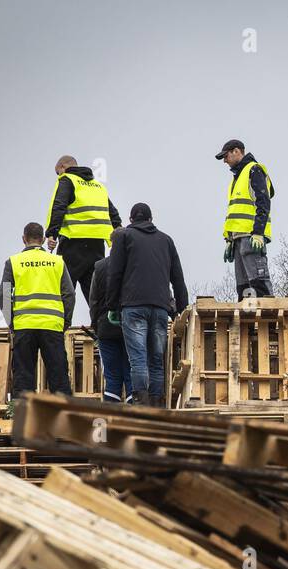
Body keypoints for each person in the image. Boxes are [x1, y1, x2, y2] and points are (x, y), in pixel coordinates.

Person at [103, 203, 188, 407]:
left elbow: (114, 273)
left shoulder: (123, 237)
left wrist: (112, 305)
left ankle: (141, 407)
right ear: (151, 219)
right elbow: (177, 278)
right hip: (160, 307)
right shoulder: (166, 240)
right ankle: (156, 406)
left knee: (138, 359)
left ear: (131, 220)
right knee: (156, 361)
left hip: (133, 306)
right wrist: (181, 310)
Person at [1, 222, 76, 395]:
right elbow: (69, 294)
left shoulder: (13, 262)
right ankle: (63, 416)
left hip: (24, 326)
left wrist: (11, 323)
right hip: (52, 325)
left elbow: (3, 295)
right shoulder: (57, 261)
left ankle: (22, 417)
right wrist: (65, 322)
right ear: (42, 239)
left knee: (23, 376)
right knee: (58, 375)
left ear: (23, 239)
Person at [44, 155, 120, 310]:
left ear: (63, 167)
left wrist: (52, 234)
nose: (59, 176)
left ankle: (61, 327)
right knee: (95, 290)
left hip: (73, 242)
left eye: (58, 172)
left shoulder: (67, 180)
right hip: (97, 244)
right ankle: (101, 326)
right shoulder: (97, 186)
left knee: (64, 287)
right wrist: (119, 233)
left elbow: (59, 206)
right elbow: (112, 212)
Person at [216, 139, 274, 297]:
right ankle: (247, 321)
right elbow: (234, 212)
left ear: (236, 151)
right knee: (244, 289)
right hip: (238, 240)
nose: (225, 161)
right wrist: (229, 239)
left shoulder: (253, 170)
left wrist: (258, 232)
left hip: (251, 237)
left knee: (258, 283)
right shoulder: (237, 178)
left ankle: (268, 320)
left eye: (226, 156)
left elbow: (263, 203)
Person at [89, 228, 128, 401]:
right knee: (130, 374)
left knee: (112, 377)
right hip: (130, 327)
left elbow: (94, 301)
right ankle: (134, 419)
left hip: (106, 327)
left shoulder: (100, 266)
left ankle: (111, 419)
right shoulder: (133, 265)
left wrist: (96, 325)